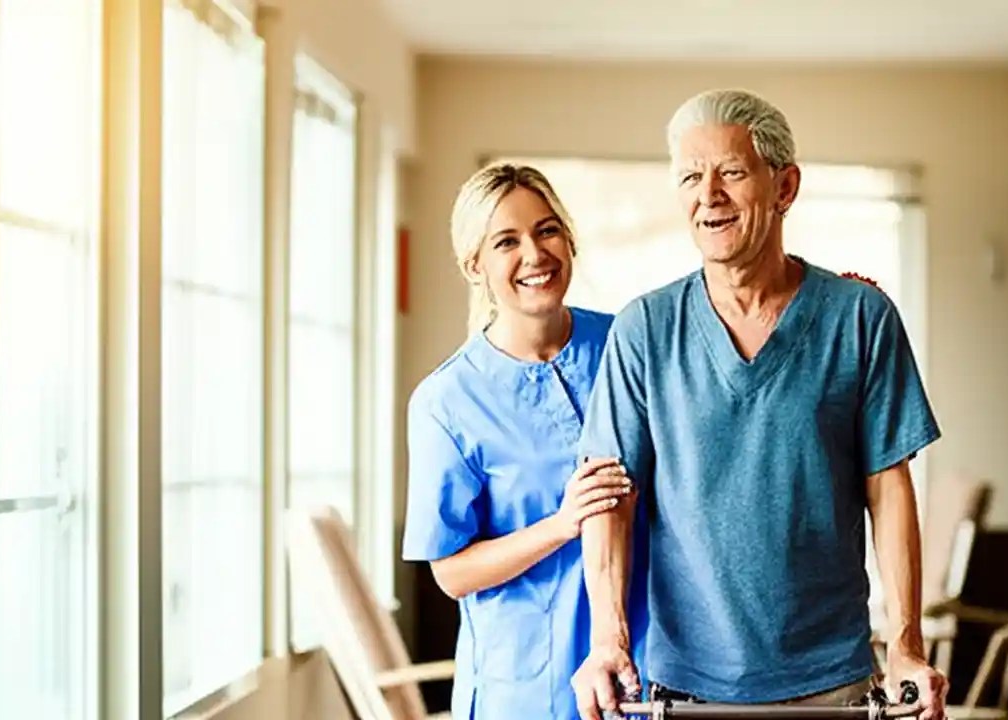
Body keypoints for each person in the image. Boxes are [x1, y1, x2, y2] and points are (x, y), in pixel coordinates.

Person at [570, 88, 949, 720]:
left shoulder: (859, 319)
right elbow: (612, 495)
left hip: (833, 685)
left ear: (785, 187)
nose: (708, 194)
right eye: (691, 176)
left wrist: (906, 645)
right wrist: (607, 638)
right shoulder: (644, 329)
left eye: (732, 172)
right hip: (684, 690)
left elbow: (888, 487)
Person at [401, 162, 650, 720]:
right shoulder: (448, 401)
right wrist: (564, 523)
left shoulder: (626, 346)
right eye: (506, 241)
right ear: (475, 266)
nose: (535, 255)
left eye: (546, 230)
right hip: (524, 686)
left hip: (643, 669)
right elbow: (451, 572)